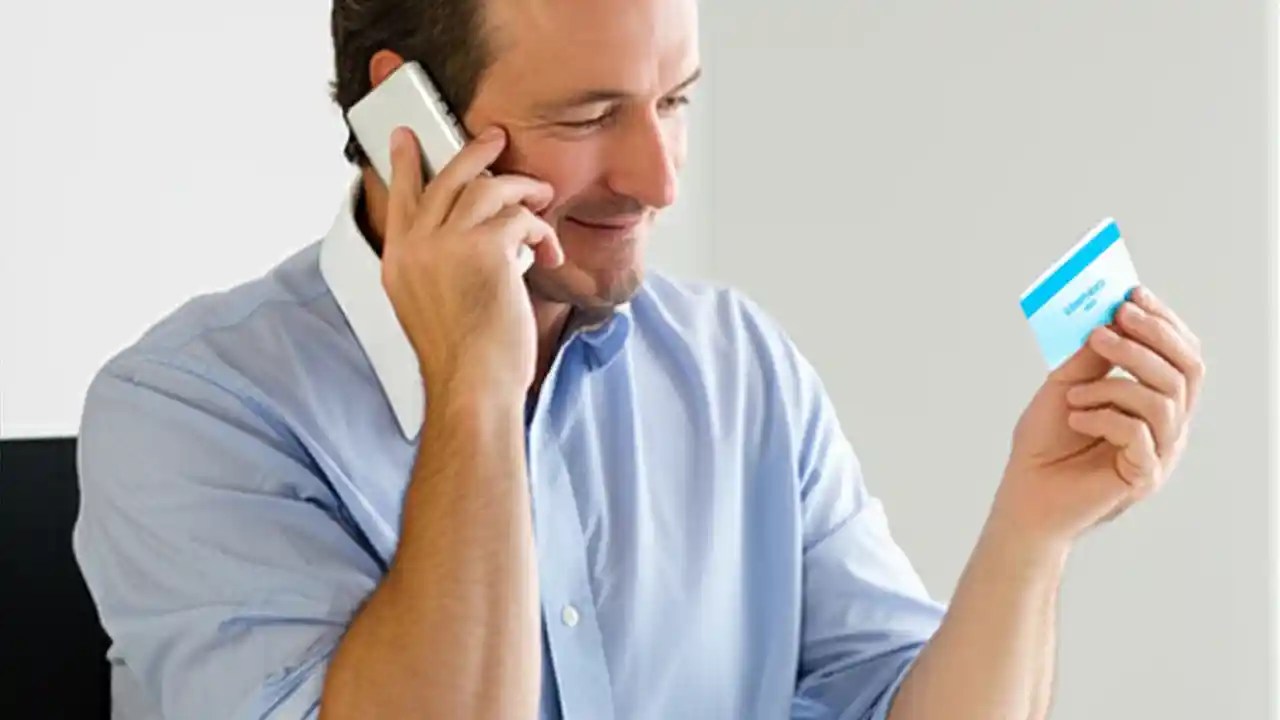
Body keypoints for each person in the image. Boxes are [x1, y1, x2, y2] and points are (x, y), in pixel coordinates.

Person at [72, 0, 1206, 718]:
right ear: (402, 121)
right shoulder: (186, 414)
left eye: (673, 101)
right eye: (589, 115)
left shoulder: (736, 370)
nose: (660, 179)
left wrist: (1030, 533)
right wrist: (474, 385)